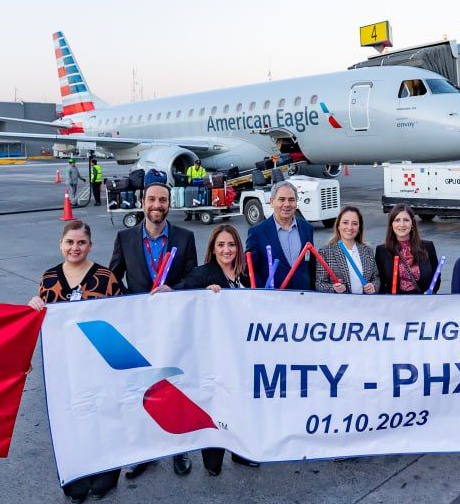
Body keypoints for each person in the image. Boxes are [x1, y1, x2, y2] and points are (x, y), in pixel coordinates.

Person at [107, 182, 198, 477]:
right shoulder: (125, 238)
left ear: (169, 203)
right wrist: (130, 305)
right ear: (142, 201)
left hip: (173, 326)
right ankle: (145, 450)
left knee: (175, 385)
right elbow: (112, 279)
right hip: (140, 328)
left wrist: (176, 289)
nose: (157, 205)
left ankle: (179, 448)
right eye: (152, 199)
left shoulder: (184, 238)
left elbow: (192, 276)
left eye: (162, 200)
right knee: (141, 389)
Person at [28, 220, 122, 504]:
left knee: (101, 416)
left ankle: (106, 473)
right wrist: (33, 306)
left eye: (81, 242)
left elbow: (126, 315)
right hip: (63, 366)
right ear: (61, 245)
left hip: (100, 363)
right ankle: (76, 476)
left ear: (90, 245)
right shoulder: (48, 279)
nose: (75, 247)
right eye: (70, 242)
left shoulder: (106, 277)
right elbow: (38, 321)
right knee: (69, 419)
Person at [169, 224, 260, 475]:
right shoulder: (202, 274)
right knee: (216, 403)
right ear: (213, 248)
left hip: (242, 355)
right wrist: (202, 294)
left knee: (241, 402)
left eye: (231, 244)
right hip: (215, 356)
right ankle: (213, 453)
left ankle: (241, 452)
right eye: (221, 245)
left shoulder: (246, 275)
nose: (226, 249)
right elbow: (179, 296)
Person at [246, 181, 315, 290]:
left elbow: (311, 265)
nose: (287, 204)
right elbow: (251, 270)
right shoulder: (257, 232)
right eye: (281, 199)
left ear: (296, 202)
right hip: (274, 300)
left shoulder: (307, 228)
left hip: (303, 296)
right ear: (272, 202)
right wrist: (263, 292)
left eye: (291, 200)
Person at [375, 204, 440, 294]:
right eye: (397, 220)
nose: (402, 224)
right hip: (394, 305)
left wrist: (430, 293)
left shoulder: (428, 247)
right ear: (391, 224)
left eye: (406, 220)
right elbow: (380, 282)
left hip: (422, 303)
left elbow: (436, 277)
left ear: (412, 223)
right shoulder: (381, 251)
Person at [314, 206, 378, 294]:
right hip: (340, 305)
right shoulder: (326, 252)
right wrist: (333, 288)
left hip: (365, 304)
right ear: (338, 226)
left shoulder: (367, 251)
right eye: (345, 222)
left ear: (359, 228)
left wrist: (373, 286)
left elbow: (376, 278)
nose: (350, 227)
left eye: (354, 223)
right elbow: (320, 284)